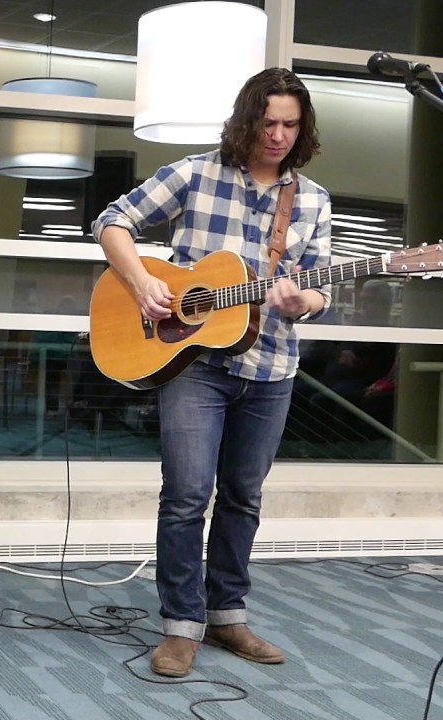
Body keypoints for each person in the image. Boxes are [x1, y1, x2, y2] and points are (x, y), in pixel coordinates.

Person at [92, 67, 331, 678]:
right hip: (194, 365)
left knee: (243, 498)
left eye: (290, 125)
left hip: (271, 366)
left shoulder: (312, 202)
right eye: (269, 122)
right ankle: (180, 626)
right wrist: (142, 280)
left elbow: (321, 290)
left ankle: (228, 616)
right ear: (247, 120)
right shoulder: (195, 174)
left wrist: (302, 300)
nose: (278, 135)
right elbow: (112, 222)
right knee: (187, 496)